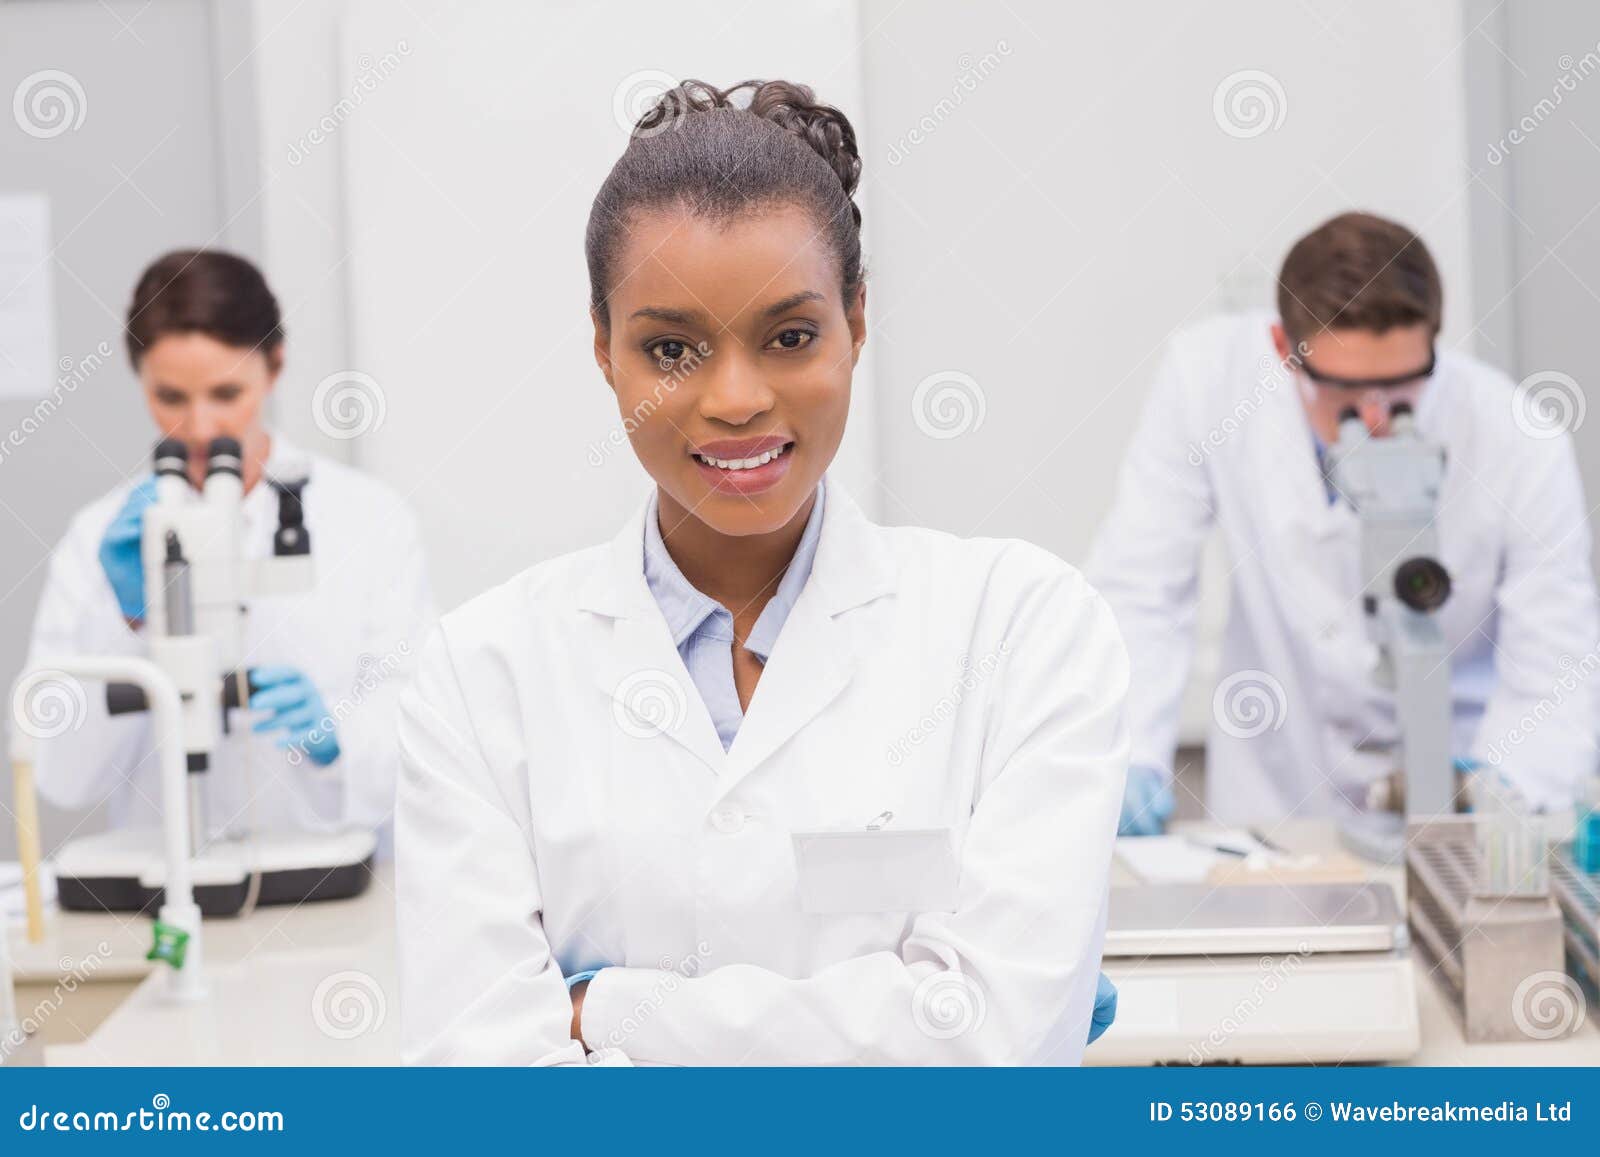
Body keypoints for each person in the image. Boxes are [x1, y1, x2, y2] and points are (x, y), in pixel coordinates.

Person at [395, 80, 1128, 1066]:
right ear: (603, 347)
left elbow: (988, 1048)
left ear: (856, 322)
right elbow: (481, 1082)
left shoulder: (1023, 628)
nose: (736, 398)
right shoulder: (478, 676)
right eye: (669, 348)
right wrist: (894, 1016)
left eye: (789, 337)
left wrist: (608, 1010)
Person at [1088, 211, 1599, 833]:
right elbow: (1143, 590)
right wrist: (1129, 757)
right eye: (1348, 396)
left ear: (1434, 340)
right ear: (1285, 351)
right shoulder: (1211, 383)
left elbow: (1558, 657)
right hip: (1279, 794)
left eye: (1403, 387)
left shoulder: (1515, 438)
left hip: (1463, 790)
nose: (1378, 417)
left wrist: (1508, 786)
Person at [25, 250, 436, 847]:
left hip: (327, 887)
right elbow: (62, 778)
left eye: (226, 393)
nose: (199, 428)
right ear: (139, 378)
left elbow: (421, 733)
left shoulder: (369, 519)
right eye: (170, 397)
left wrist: (335, 734)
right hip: (165, 892)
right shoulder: (98, 537)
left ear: (274, 366)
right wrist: (127, 619)